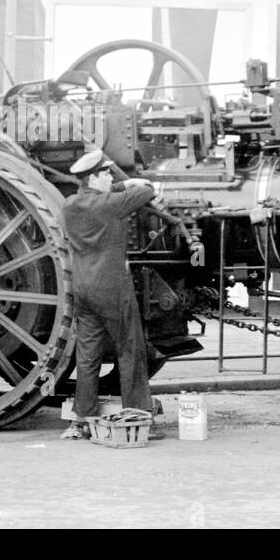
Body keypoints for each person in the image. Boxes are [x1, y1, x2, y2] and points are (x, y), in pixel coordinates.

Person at [60, 150, 159, 441]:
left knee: (87, 355)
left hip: (83, 289)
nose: (110, 178)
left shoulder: (70, 205)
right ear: (93, 178)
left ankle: (82, 419)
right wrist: (133, 183)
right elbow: (147, 191)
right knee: (130, 349)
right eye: (106, 174)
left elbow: (104, 195)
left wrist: (119, 186)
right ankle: (137, 415)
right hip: (112, 288)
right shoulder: (110, 205)